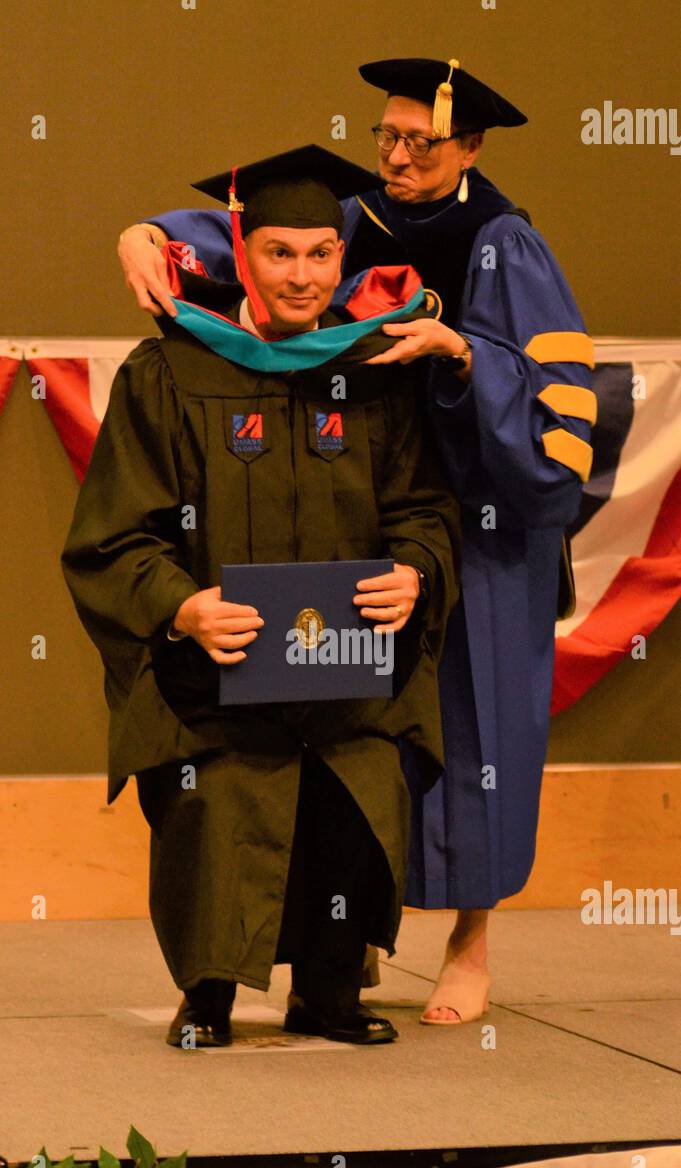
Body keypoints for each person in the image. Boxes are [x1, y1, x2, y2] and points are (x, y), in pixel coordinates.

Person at [116, 57, 596, 1027]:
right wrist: (146, 232)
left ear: (469, 146)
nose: (397, 154)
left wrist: (459, 350)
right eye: (386, 135)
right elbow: (253, 236)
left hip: (484, 522)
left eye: (420, 141)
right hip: (372, 509)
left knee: (478, 740)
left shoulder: (504, 244)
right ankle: (346, 949)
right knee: (374, 734)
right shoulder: (360, 221)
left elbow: (562, 422)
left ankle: (471, 945)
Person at [62, 146, 459, 1049]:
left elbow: (425, 510)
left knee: (353, 785)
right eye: (280, 253)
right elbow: (111, 536)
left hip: (345, 671)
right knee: (222, 786)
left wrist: (415, 572)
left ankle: (329, 993)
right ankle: (207, 994)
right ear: (240, 257)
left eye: (321, 255)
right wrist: (182, 605)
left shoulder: (375, 372)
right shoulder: (170, 373)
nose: (302, 276)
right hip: (219, 669)